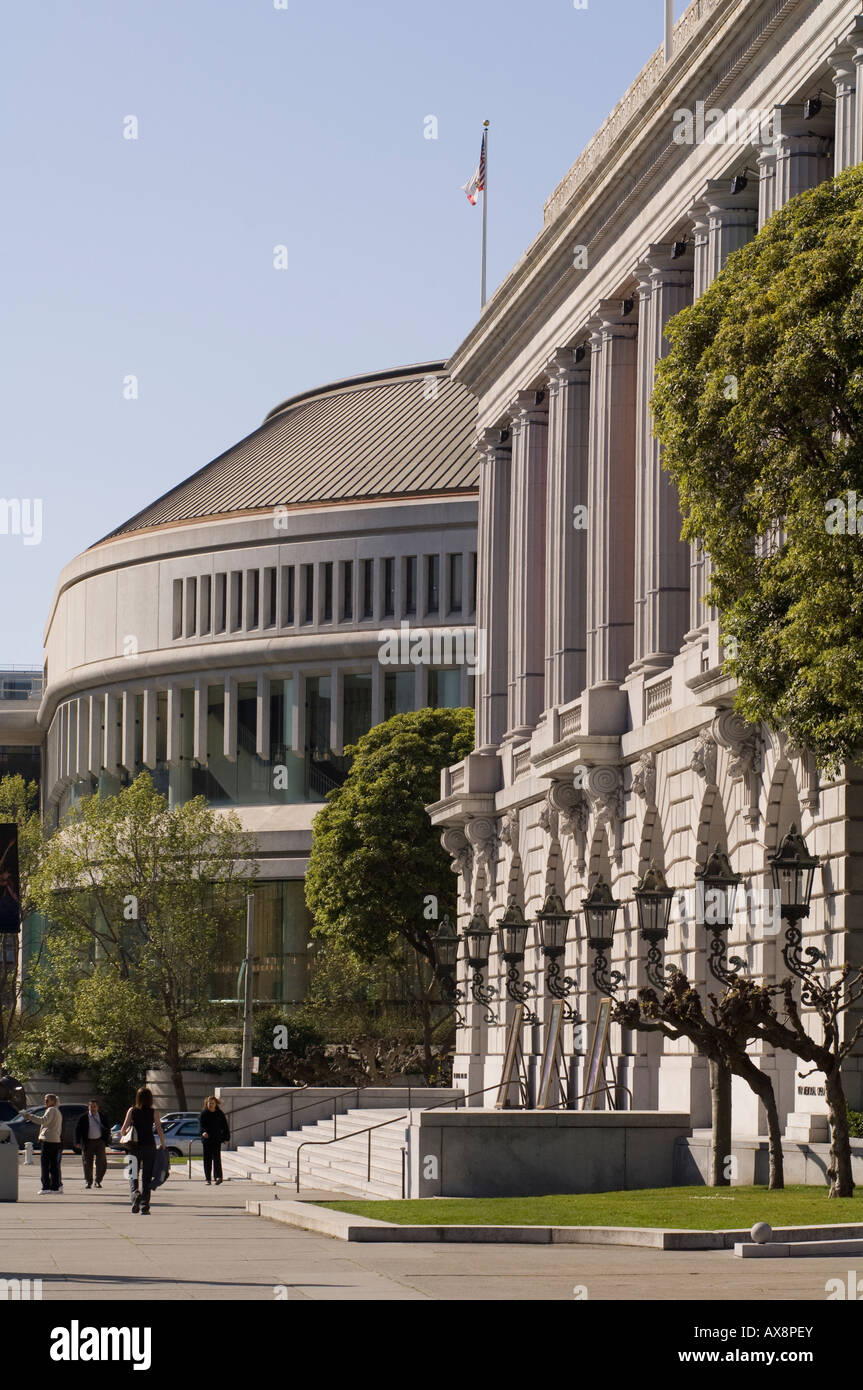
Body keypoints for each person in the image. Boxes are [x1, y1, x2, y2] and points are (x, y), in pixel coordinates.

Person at [120, 1086, 165, 1215]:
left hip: (134, 1147)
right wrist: (163, 1144)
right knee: (146, 1177)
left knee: (133, 1174)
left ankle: (135, 1195)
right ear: (150, 1099)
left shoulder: (132, 1110)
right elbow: (159, 1129)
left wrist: (130, 1130)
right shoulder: (154, 1112)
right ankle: (145, 1205)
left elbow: (123, 1130)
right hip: (149, 1146)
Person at [21, 1093, 63, 1194]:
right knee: (53, 1165)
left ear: (53, 1101)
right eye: (45, 1100)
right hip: (55, 1140)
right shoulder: (57, 1111)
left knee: (45, 1164)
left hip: (48, 1140)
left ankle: (46, 1187)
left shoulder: (51, 1110)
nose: (45, 1102)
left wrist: (29, 1116)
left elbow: (43, 1120)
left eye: (47, 1100)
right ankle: (55, 1187)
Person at [75, 1100, 110, 1189]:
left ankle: (98, 1181)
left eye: (95, 1106)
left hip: (100, 1142)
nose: (93, 1108)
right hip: (88, 1142)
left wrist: (106, 1140)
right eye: (91, 1106)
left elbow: (107, 1128)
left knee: (101, 1162)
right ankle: (88, 1181)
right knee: (87, 1163)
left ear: (97, 1107)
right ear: (88, 1107)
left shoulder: (102, 1116)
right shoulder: (83, 1117)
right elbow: (77, 1130)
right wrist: (77, 1142)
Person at [199, 1095, 230, 1185]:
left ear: (216, 1104)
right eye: (209, 1103)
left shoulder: (219, 1113)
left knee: (217, 1159)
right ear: (206, 1103)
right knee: (207, 1159)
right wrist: (203, 1132)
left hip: (216, 1139)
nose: (211, 1105)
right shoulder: (204, 1114)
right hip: (207, 1139)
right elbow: (201, 1126)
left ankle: (218, 1177)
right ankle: (208, 1179)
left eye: (213, 1103)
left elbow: (225, 1126)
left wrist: (226, 1138)